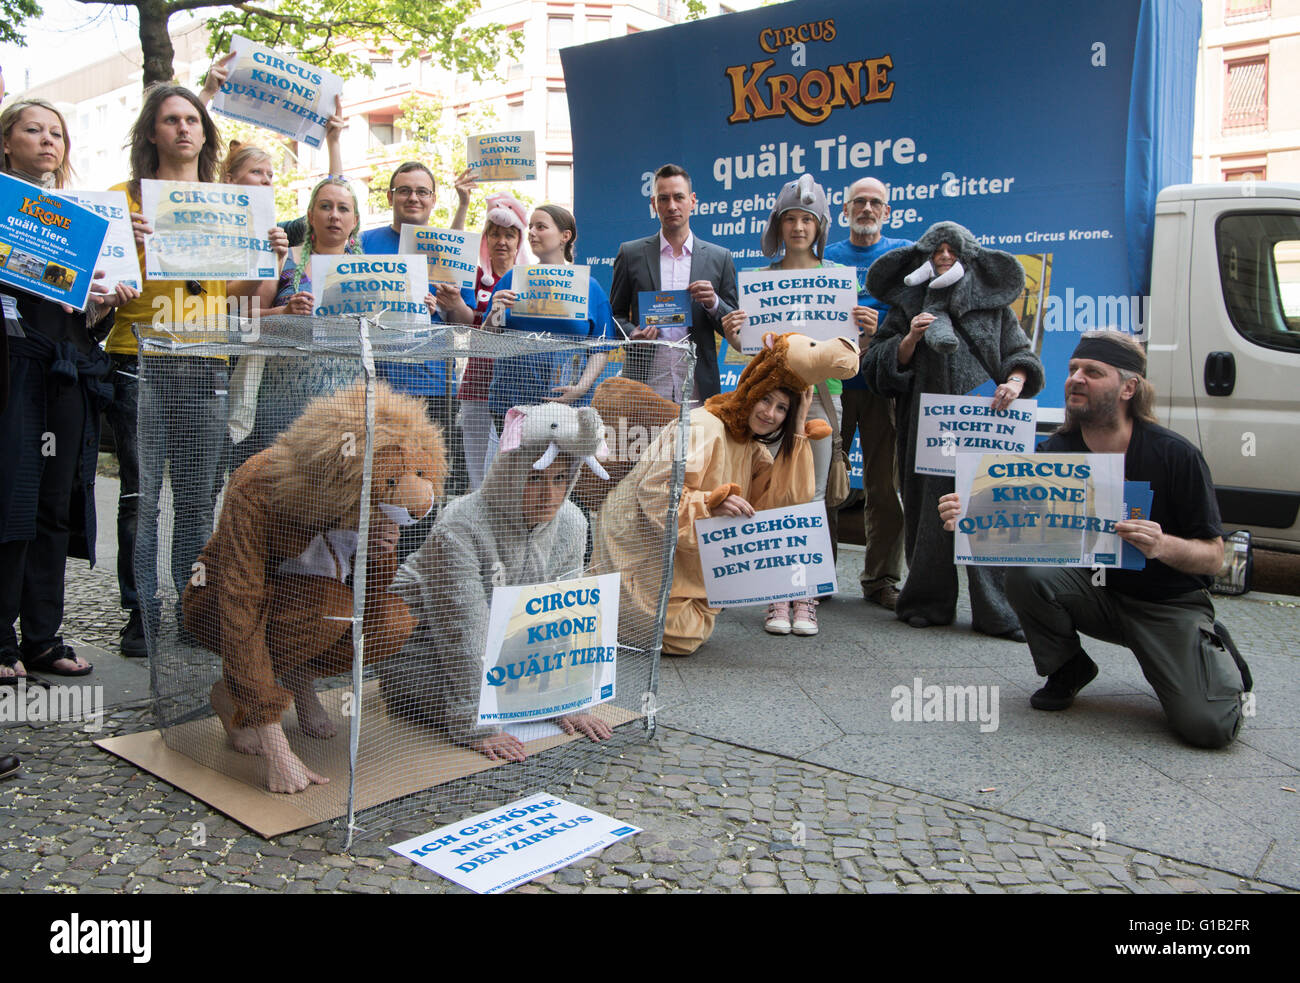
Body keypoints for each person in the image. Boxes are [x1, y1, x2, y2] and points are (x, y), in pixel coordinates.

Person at [938, 331, 1246, 748]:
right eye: (1072, 370)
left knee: (1209, 728)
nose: (1075, 379)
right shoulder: (1056, 451)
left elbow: (1213, 557)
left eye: (1093, 372)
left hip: (1166, 606)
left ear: (1129, 388)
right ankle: (1067, 667)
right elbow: (1018, 529)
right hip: (1094, 594)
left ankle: (1209, 647)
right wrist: (970, 516)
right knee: (1027, 574)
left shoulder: (1176, 455)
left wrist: (1162, 546)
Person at [592, 331, 858, 656]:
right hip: (640, 553)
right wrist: (708, 505)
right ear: (751, 392)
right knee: (681, 636)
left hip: (685, 564)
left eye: (781, 409)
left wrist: (799, 430)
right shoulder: (705, 426)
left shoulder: (749, 446)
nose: (770, 414)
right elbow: (655, 492)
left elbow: (782, 504)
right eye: (765, 400)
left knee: (690, 632)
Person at [379, 402, 613, 761]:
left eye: (560, 479)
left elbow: (564, 615)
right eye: (535, 478)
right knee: (478, 695)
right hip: (422, 646)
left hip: (503, 650)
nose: (549, 495)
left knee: (516, 698)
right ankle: (416, 694)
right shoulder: (462, 524)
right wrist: (476, 723)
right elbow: (462, 627)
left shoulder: (572, 522)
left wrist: (569, 699)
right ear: (511, 473)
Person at [0, 98, 139, 679]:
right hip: (13, 370)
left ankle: (43, 638)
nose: (48, 141)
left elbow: (85, 321)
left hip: (70, 371)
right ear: (7, 141)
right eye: (34, 130)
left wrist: (106, 303)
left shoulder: (86, 218)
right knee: (12, 502)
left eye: (57, 133)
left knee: (57, 504)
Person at [862, 220, 1044, 639]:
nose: (943, 256)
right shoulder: (907, 304)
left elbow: (1020, 354)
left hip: (986, 425)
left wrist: (1015, 381)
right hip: (926, 424)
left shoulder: (994, 307)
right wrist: (908, 340)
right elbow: (878, 366)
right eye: (936, 250)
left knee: (989, 509)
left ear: (968, 257)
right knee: (928, 511)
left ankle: (999, 611)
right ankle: (926, 600)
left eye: (951, 250)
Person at [104, 84, 229, 658]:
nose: (183, 129)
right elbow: (95, 285)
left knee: (198, 502)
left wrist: (271, 255)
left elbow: (248, 295)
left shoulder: (231, 204)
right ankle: (141, 614)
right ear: (151, 132)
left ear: (205, 134)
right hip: (140, 358)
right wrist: (121, 246)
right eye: (171, 119)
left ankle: (193, 610)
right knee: (142, 496)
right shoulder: (120, 199)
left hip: (206, 360)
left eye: (192, 120)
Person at [719, 174, 850, 637]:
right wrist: (735, 332)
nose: (798, 228)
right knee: (774, 496)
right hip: (772, 405)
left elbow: (847, 354)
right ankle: (778, 594)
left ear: (820, 227)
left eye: (807, 220)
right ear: (779, 224)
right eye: (790, 219)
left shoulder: (836, 281)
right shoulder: (760, 281)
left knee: (811, 498)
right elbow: (748, 352)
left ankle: (805, 596)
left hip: (819, 405)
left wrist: (865, 330)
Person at [823, 176, 909, 610]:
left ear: (887, 211)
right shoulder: (826, 257)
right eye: (859, 202)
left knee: (883, 487)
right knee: (825, 483)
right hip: (831, 386)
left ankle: (881, 580)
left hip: (881, 386)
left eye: (876, 202)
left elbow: (920, 320)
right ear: (845, 211)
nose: (867, 209)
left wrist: (884, 329)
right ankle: (818, 578)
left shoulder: (905, 257)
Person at [609, 163, 738, 402]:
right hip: (644, 383)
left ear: (692, 201)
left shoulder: (720, 258)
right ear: (653, 204)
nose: (671, 206)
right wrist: (632, 333)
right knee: (644, 441)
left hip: (698, 385)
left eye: (679, 197)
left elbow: (732, 326)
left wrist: (713, 303)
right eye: (663, 198)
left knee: (696, 441)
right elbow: (614, 314)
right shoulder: (630, 254)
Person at [485, 204, 619, 419]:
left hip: (567, 406)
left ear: (565, 236)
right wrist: (495, 311)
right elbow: (488, 339)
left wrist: (581, 388)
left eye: (541, 227)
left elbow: (601, 347)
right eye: (530, 227)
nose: (531, 233)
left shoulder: (589, 287)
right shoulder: (511, 279)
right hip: (512, 403)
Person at [438, 191, 531, 490]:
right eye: (494, 235)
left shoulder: (532, 281)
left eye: (509, 235)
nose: (501, 242)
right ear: (485, 239)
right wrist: (454, 304)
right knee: (480, 474)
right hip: (478, 383)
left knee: (517, 473)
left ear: (519, 241)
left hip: (520, 385)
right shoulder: (474, 276)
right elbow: (465, 323)